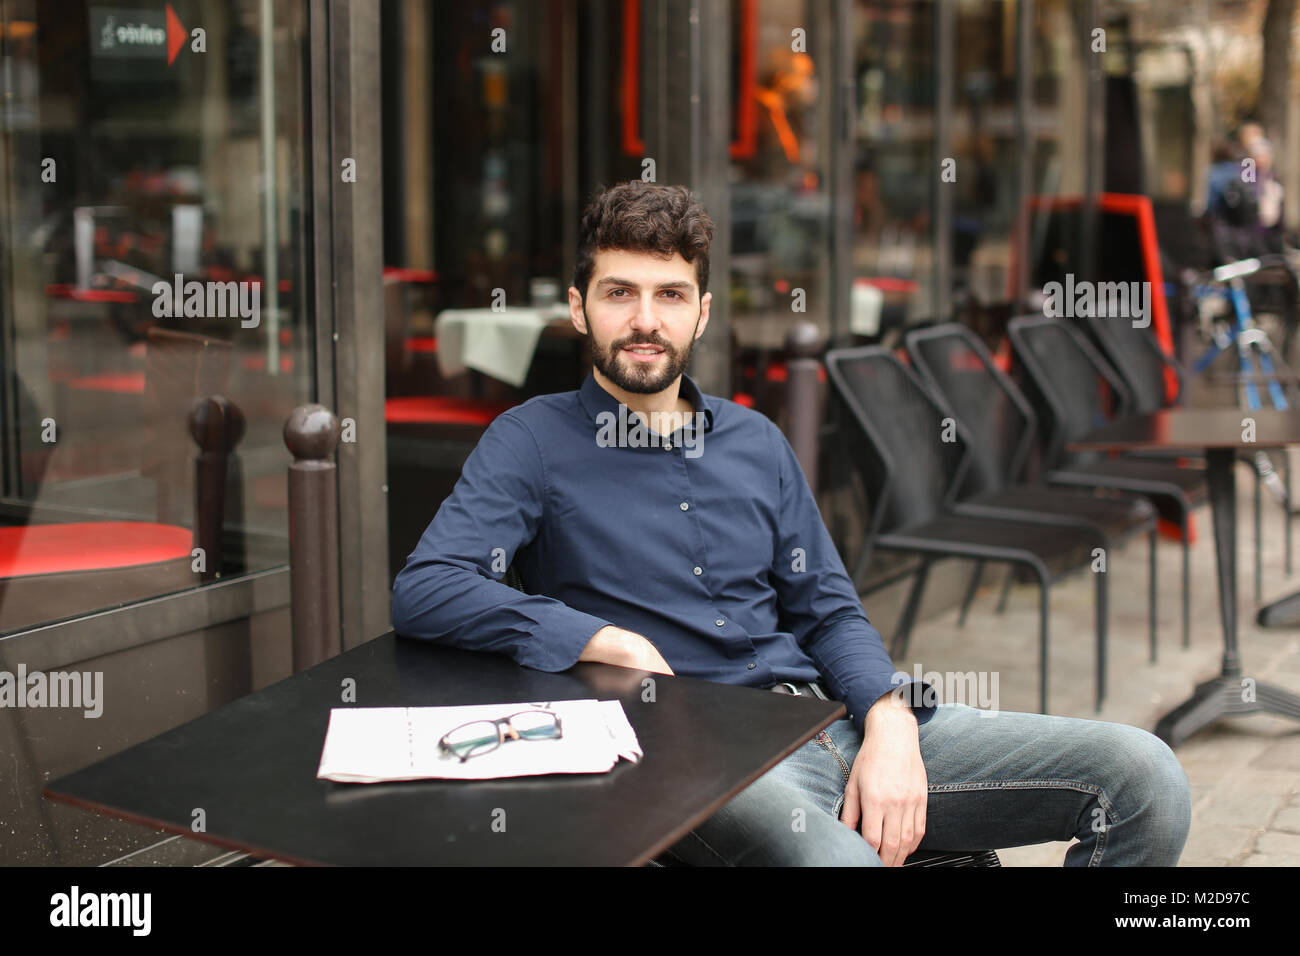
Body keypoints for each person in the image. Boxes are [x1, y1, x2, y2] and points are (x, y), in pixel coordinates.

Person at [392, 182, 1192, 867]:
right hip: (699, 755)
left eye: (669, 295)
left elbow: (828, 607)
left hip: (828, 718)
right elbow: (428, 588)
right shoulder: (531, 440)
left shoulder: (755, 440)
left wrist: (888, 720)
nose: (645, 319)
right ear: (578, 308)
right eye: (619, 292)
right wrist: (600, 640)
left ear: (702, 314)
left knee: (1143, 779)